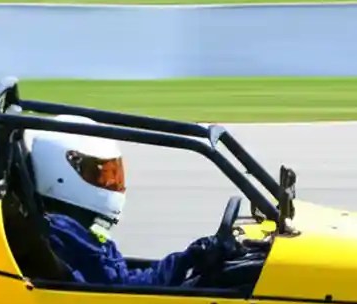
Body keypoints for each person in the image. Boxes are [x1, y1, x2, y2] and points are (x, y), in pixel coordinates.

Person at [24, 115, 221, 286]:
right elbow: (121, 285)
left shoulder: (69, 227)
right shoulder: (63, 233)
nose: (111, 183)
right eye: (101, 174)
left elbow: (120, 275)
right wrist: (188, 259)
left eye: (114, 173)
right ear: (60, 172)